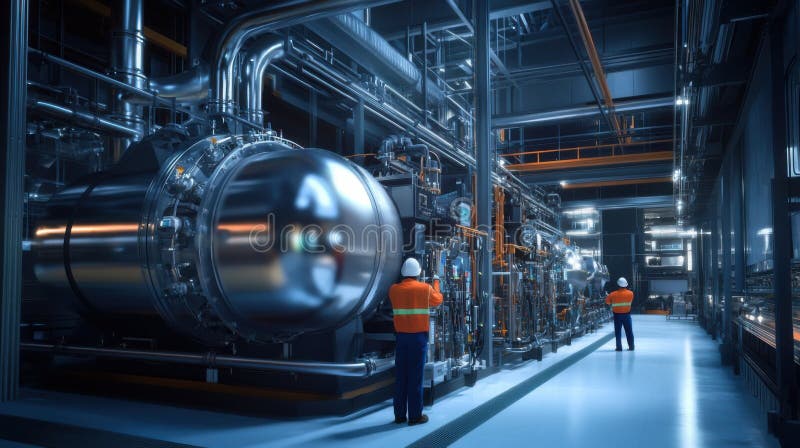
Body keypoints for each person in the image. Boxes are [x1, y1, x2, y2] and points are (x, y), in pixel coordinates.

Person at [388, 257, 443, 426]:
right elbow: (438, 300)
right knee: (415, 377)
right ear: (418, 273)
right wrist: (436, 282)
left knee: (401, 378)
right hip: (418, 338)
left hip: (401, 338)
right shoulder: (425, 289)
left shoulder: (393, 289)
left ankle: (399, 416)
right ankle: (415, 416)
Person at [606, 277, 635, 351]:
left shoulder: (612, 294)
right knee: (629, 331)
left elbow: (607, 302)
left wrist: (609, 296)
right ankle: (631, 347)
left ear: (618, 285)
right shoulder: (631, 293)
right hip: (627, 315)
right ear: (626, 285)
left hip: (617, 315)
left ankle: (619, 347)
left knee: (618, 332)